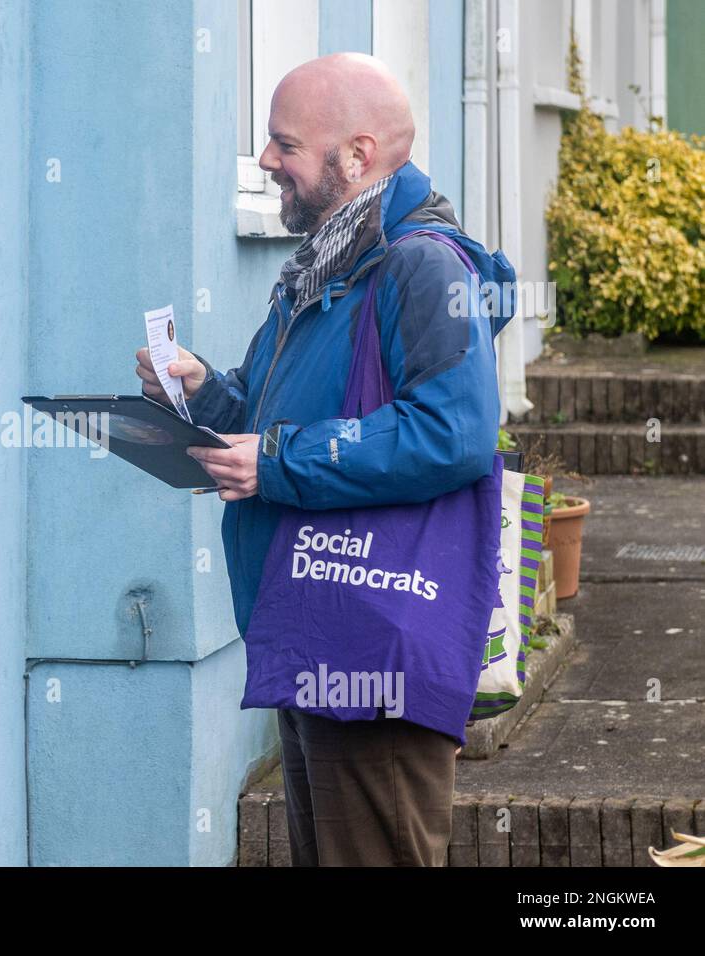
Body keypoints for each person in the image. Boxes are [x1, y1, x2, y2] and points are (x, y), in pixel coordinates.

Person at [134, 53, 516, 866]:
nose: (267, 162)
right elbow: (277, 419)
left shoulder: (420, 265)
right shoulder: (324, 265)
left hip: (373, 637)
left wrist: (276, 462)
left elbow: (453, 434)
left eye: (285, 145)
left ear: (357, 156)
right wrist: (205, 394)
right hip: (317, 621)